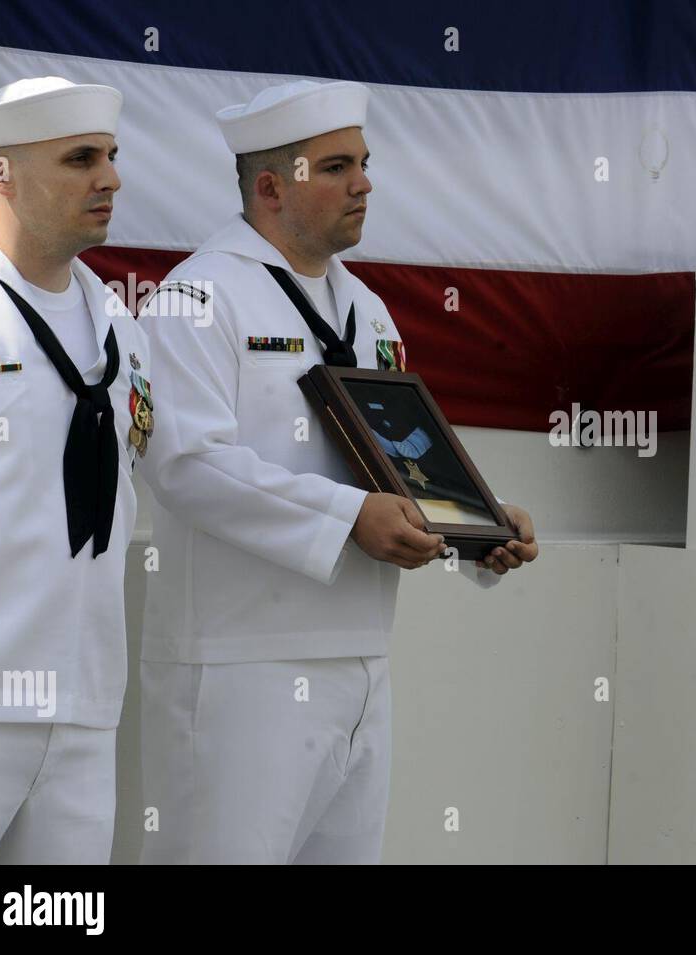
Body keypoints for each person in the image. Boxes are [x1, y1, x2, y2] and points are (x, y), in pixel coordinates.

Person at [137, 79, 538, 864]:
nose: (364, 183)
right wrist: (347, 519)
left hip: (361, 661)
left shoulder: (369, 311)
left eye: (364, 162)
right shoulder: (197, 298)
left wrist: (476, 527)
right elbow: (185, 462)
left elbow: (399, 464)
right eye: (336, 166)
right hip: (240, 667)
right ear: (269, 186)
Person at [0, 76, 151, 863]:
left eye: (110, 155)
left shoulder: (120, 325)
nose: (110, 177)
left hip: (84, 711)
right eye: (80, 158)